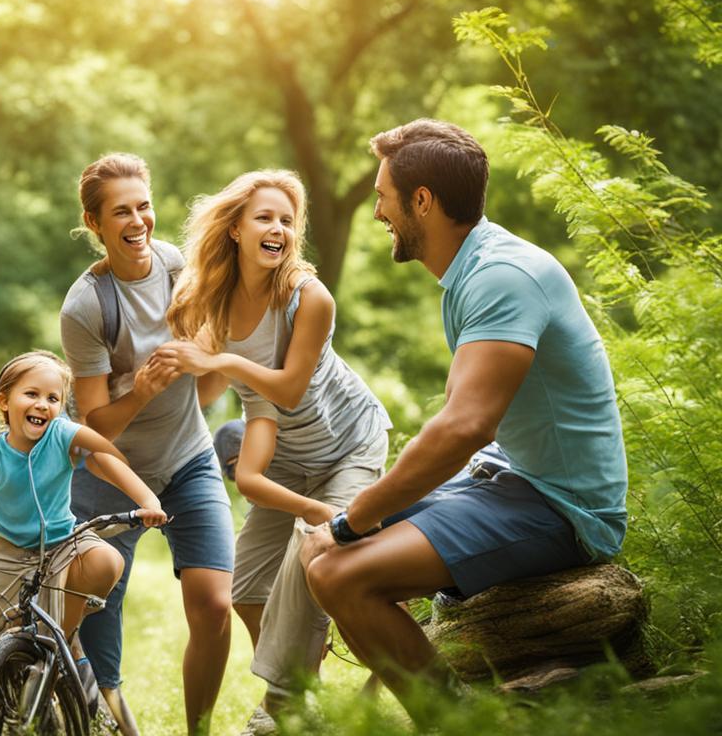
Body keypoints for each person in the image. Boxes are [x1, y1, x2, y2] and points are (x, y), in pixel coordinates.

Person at [300, 119, 628, 723]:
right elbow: (465, 428)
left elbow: (463, 426)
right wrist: (350, 522)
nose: (378, 212)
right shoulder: (473, 268)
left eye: (383, 196)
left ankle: (455, 724)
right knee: (317, 554)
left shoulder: (502, 277)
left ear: (421, 201)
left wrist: (356, 520)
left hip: (563, 506)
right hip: (508, 480)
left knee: (342, 572)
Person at [157, 169, 391, 725]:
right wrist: (182, 361)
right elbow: (213, 391)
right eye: (264, 217)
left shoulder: (309, 297)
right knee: (245, 588)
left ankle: (284, 704)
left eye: (287, 220)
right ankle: (305, 685)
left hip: (348, 443)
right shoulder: (215, 302)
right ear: (235, 228)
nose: (278, 229)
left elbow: (288, 387)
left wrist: (220, 361)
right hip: (282, 453)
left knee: (312, 560)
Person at [59, 153, 234, 735]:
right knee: (97, 616)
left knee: (213, 605)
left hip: (188, 457)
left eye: (144, 206)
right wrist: (140, 390)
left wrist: (216, 352)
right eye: (120, 213)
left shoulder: (179, 268)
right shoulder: (86, 306)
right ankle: (108, 720)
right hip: (110, 472)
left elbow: (206, 394)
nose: (137, 221)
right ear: (95, 224)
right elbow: (95, 426)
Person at [0, 350, 167, 664]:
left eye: (53, 399)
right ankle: (11, 693)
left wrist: (148, 502)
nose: (42, 404)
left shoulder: (62, 435)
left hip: (61, 542)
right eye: (31, 394)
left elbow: (106, 455)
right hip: (5, 548)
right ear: (4, 401)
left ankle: (62, 638)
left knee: (106, 560)